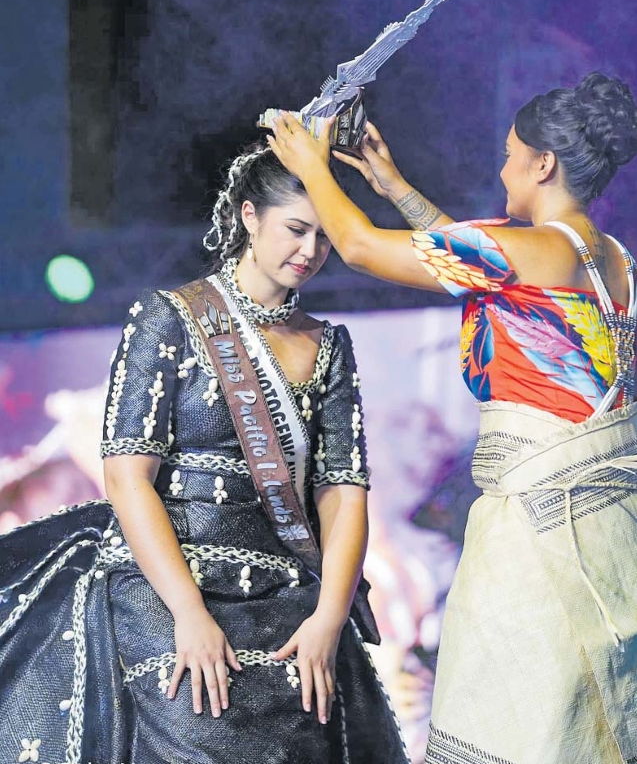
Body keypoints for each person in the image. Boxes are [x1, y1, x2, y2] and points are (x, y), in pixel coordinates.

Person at [267, 72, 637, 764]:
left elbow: (360, 250)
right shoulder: (611, 258)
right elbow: (482, 268)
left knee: (521, 723)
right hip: (608, 535)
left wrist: (311, 167)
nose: (502, 167)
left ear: (541, 163)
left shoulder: (537, 250)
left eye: (507, 153)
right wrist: (392, 185)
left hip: (540, 534)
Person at [0, 145, 410, 764]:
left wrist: (328, 622)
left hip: (290, 600)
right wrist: (188, 613)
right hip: (165, 588)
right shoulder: (168, 317)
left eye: (325, 238)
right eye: (296, 230)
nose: (310, 251)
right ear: (249, 215)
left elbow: (342, 491)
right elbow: (126, 477)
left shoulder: (329, 344)